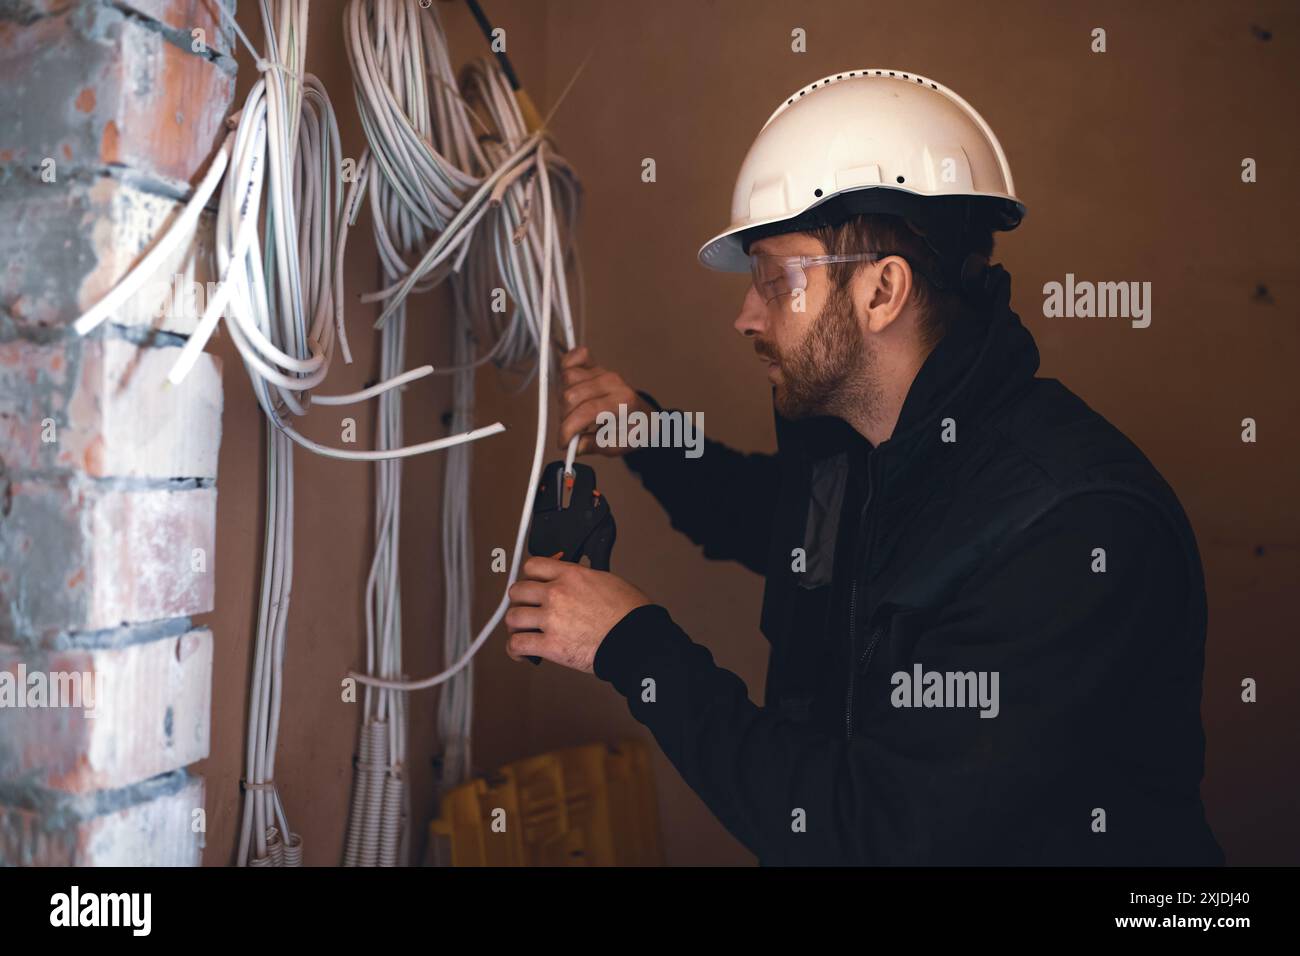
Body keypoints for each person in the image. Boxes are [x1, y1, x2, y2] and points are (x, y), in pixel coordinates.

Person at [504, 69, 1223, 865]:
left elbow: (874, 833)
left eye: (776, 280)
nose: (745, 315)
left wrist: (630, 645)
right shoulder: (869, 446)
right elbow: (792, 528)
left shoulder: (1072, 529)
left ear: (883, 291)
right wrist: (648, 434)